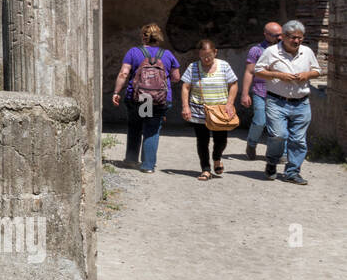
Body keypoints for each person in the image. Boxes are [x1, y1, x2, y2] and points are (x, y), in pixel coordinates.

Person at [253, 20, 322, 186]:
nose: (296, 41)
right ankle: (272, 162)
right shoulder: (271, 52)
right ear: (283, 37)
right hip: (277, 101)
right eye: (293, 37)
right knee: (279, 135)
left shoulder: (307, 52)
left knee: (298, 140)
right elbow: (258, 70)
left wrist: (307, 74)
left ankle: (292, 172)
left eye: (300, 38)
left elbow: (318, 70)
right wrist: (278, 75)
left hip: (301, 102)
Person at [111, 23, 181, 173]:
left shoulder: (134, 52)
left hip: (140, 97)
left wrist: (116, 92)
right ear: (159, 37)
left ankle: (131, 160)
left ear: (143, 36)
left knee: (136, 126)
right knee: (151, 129)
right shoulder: (167, 54)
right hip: (159, 98)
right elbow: (176, 77)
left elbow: (124, 73)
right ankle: (148, 166)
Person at [180, 39, 238, 181]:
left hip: (220, 111)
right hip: (199, 110)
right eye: (203, 56)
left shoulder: (224, 66)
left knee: (221, 140)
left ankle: (217, 157)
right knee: (202, 141)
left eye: (209, 56)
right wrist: (185, 106)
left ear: (215, 52)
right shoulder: (193, 67)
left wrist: (230, 104)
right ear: (198, 54)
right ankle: (205, 169)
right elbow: (185, 87)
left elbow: (234, 84)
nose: (206, 59)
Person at [240, 21, 284, 159]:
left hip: (279, 92)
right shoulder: (256, 51)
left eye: (281, 34)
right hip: (260, 91)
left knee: (279, 124)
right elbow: (249, 72)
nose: (279, 38)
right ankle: (252, 143)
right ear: (266, 34)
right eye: (275, 35)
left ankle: (278, 152)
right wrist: (245, 93)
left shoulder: (285, 50)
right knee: (260, 121)